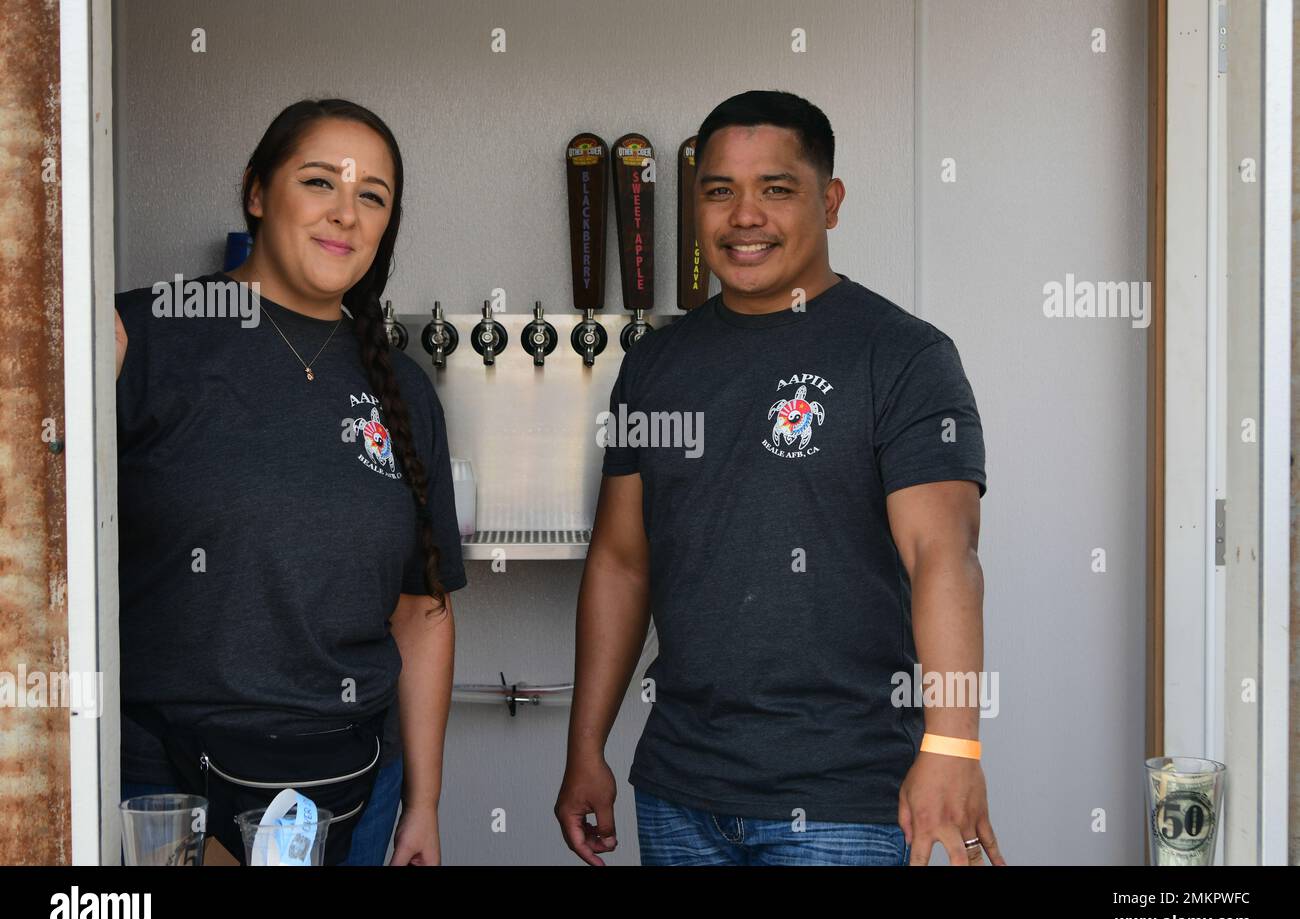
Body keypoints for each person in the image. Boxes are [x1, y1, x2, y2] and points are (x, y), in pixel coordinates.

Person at [555, 89, 1004, 866]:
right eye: (721, 191)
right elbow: (622, 563)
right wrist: (585, 745)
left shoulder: (902, 357)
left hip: (844, 798)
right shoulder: (656, 364)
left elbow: (945, 555)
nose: (745, 216)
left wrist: (953, 747)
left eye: (776, 189)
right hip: (680, 791)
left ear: (829, 202)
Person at [114, 99, 464, 865]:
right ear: (256, 192)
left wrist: (424, 806)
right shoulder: (141, 338)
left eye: (372, 196)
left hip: (353, 790)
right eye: (318, 182)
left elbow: (422, 613)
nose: (346, 213)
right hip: (164, 787)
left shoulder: (401, 386)